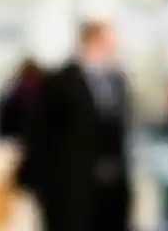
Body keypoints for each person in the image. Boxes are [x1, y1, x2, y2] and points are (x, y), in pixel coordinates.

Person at [26, 20, 132, 231]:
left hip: (109, 190)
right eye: (109, 43)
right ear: (92, 42)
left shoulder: (116, 82)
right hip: (70, 189)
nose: (113, 49)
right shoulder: (60, 82)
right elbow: (40, 136)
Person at [0, 59, 45, 193]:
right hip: (37, 152)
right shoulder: (47, 93)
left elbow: (1, 126)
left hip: (19, 148)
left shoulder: (13, 94)